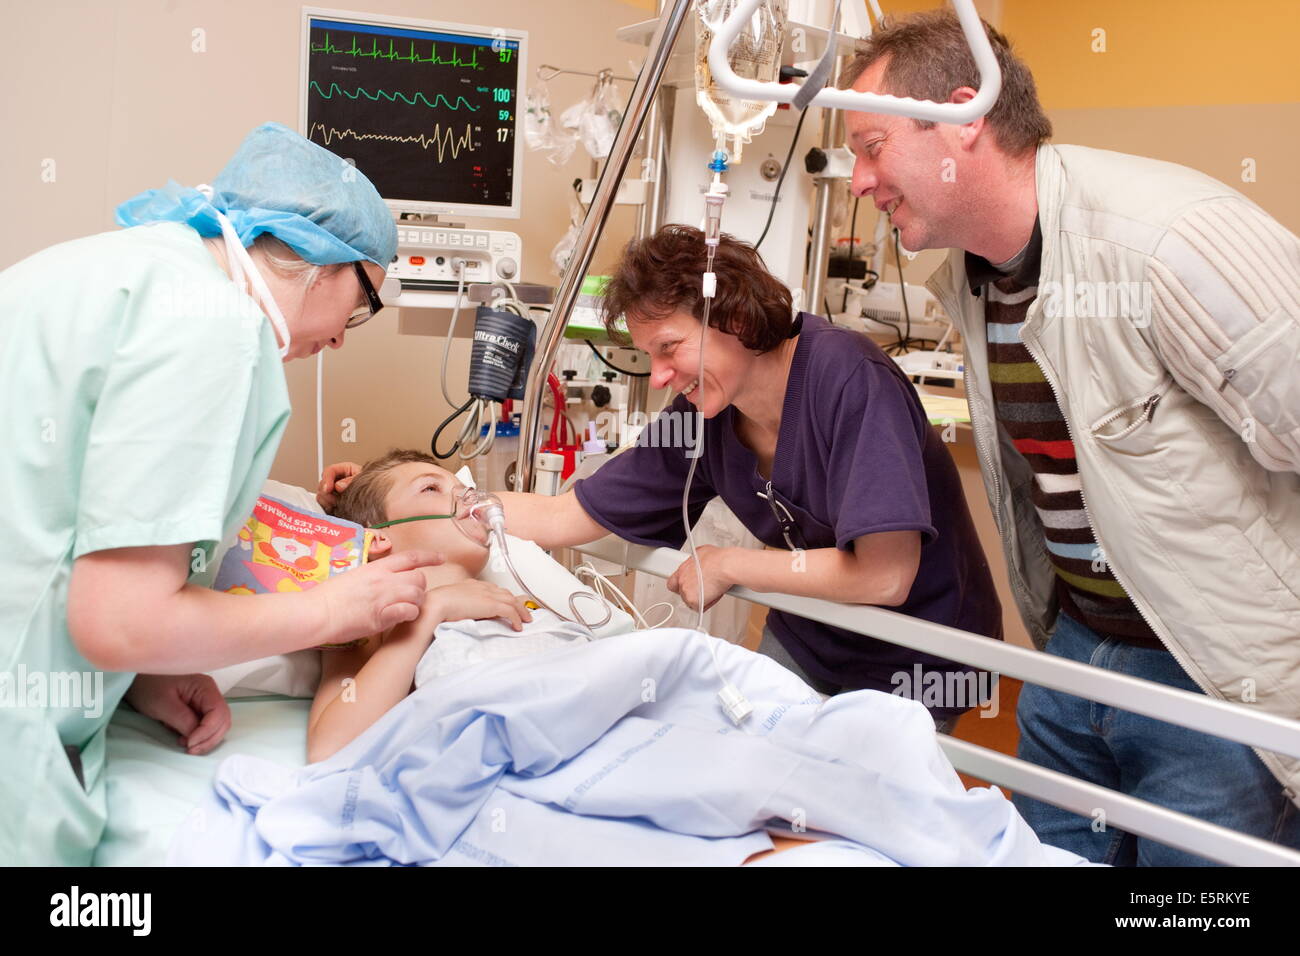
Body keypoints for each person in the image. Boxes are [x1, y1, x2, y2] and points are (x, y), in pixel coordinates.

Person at [839, 10, 1300, 864]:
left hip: (1212, 685)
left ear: (962, 117)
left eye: (872, 147)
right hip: (1075, 658)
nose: (859, 180)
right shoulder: (979, 280)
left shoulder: (1167, 244)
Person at [321, 225, 1005, 731]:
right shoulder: (703, 413)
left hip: (914, 652)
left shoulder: (849, 382)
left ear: (734, 317)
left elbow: (885, 576)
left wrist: (734, 564)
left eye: (670, 348)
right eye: (652, 357)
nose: (664, 376)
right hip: (811, 634)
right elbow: (568, 517)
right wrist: (379, 510)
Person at [0, 122, 439, 866]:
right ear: (322, 263)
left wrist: (144, 679)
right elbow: (119, 619)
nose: (339, 340)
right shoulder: (213, 328)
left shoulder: (112, 270)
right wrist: (336, 608)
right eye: (361, 306)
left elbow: (61, 507)